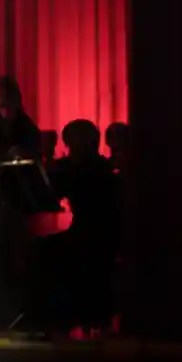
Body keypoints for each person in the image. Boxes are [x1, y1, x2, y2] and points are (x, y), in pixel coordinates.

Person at [33, 119, 121, 334]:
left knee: (46, 251)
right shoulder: (99, 168)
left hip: (95, 236)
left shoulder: (90, 171)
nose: (70, 150)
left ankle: (58, 317)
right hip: (96, 234)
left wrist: (49, 164)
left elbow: (52, 193)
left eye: (72, 145)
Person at [0, 75, 41, 158]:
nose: (2, 95)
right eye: (1, 93)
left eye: (7, 94)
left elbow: (33, 150)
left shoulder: (26, 125)